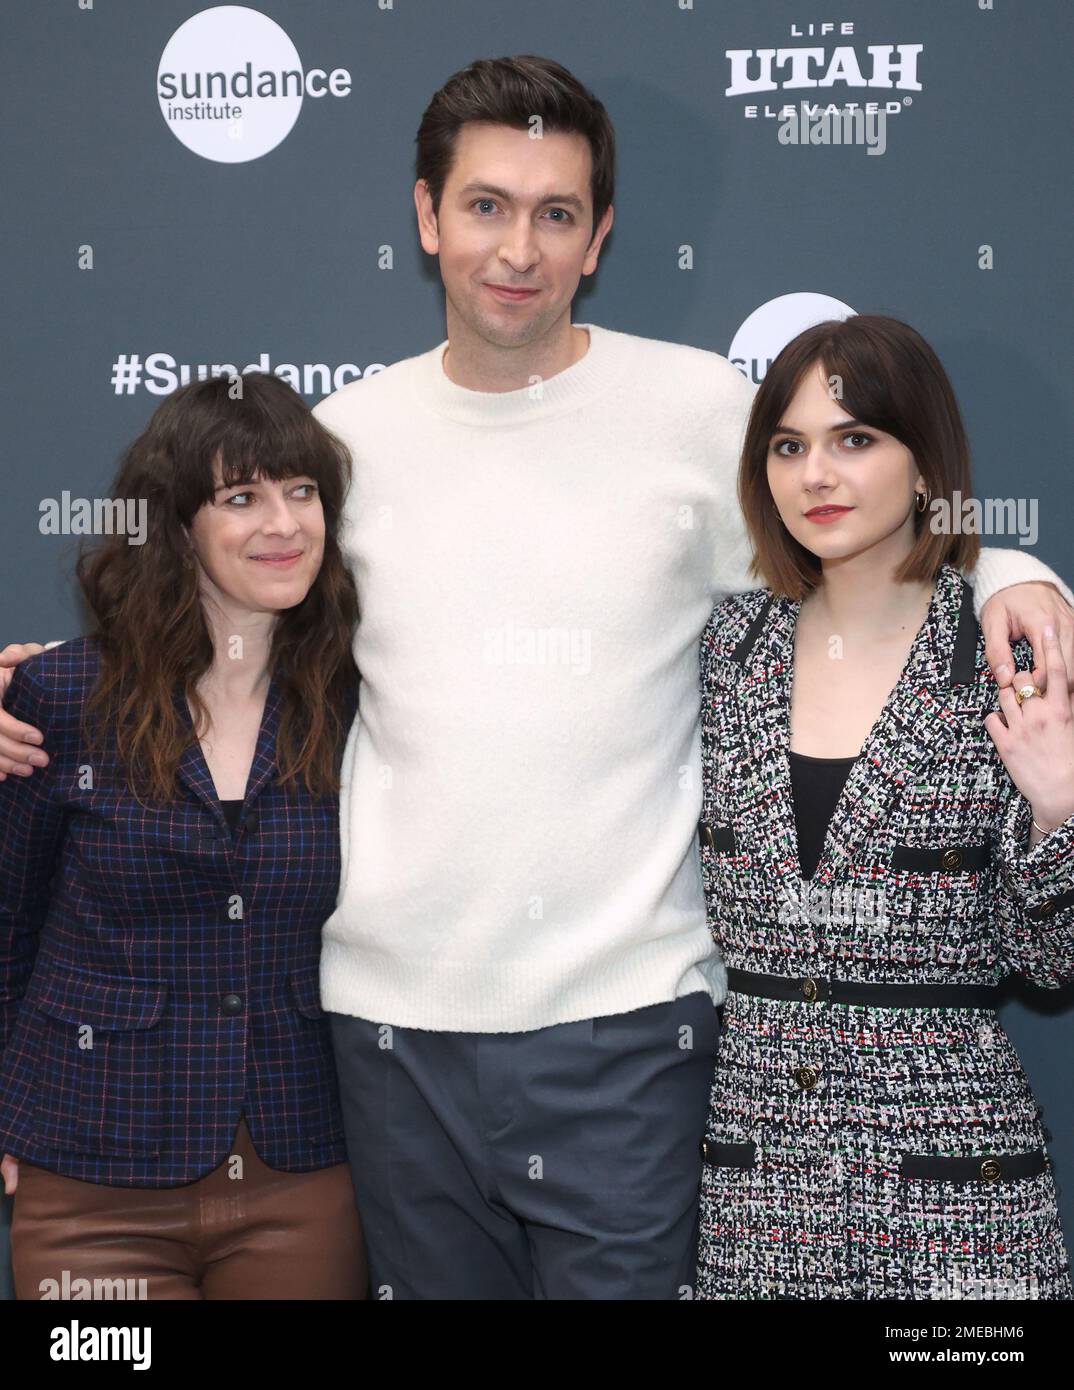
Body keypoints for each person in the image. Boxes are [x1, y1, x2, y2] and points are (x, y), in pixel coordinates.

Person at [3, 56, 1073, 1301]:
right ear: (425, 217)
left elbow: (848, 525)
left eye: (556, 213)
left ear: (601, 236)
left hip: (632, 1031)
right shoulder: (344, 445)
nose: (518, 247)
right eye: (486, 206)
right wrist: (37, 686)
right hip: (390, 1038)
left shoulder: (699, 411)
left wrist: (1009, 565)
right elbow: (207, 637)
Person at [695, 314, 1074, 1300]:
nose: (817, 473)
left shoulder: (1011, 660)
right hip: (761, 1192)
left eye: (854, 438)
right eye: (790, 444)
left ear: (924, 463)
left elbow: (1050, 966)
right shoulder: (727, 653)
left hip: (958, 1188)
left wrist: (1056, 814)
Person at [0, 372, 367, 1299]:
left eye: (302, 492)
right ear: (176, 527)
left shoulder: (363, 702)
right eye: (241, 497)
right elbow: (8, 919)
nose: (284, 524)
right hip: (89, 1174)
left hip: (301, 1170)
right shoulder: (63, 697)